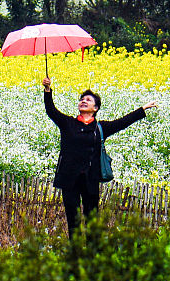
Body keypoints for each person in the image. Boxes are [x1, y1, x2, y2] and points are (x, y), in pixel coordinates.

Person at [42, 77, 157, 234]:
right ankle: (75, 255)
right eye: (82, 99)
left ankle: (92, 253)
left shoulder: (100, 127)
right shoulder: (67, 123)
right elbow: (51, 110)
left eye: (88, 100)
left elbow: (123, 122)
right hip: (69, 178)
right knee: (73, 220)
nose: (83, 101)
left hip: (90, 179)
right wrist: (47, 90)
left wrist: (142, 109)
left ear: (95, 108)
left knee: (92, 219)